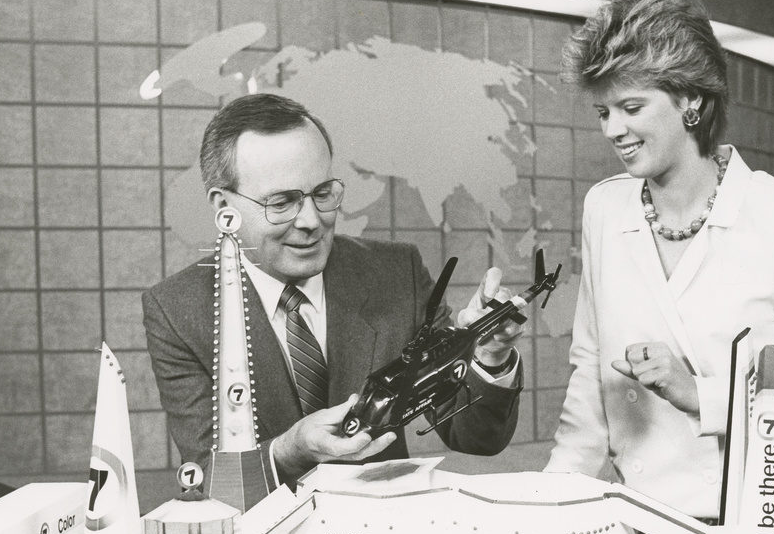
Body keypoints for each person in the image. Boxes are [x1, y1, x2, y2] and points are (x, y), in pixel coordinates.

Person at [544, 0, 774, 520]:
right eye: (603, 111)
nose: (612, 130)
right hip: (638, 518)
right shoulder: (604, 206)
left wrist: (702, 394)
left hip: (760, 521)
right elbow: (591, 368)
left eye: (631, 107)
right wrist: (554, 494)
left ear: (691, 100)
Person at [144, 93, 524, 489]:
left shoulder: (397, 274)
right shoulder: (178, 312)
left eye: (322, 194)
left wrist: (489, 358)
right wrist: (289, 450)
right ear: (224, 208)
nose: (311, 221)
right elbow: (207, 477)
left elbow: (477, 436)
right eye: (282, 202)